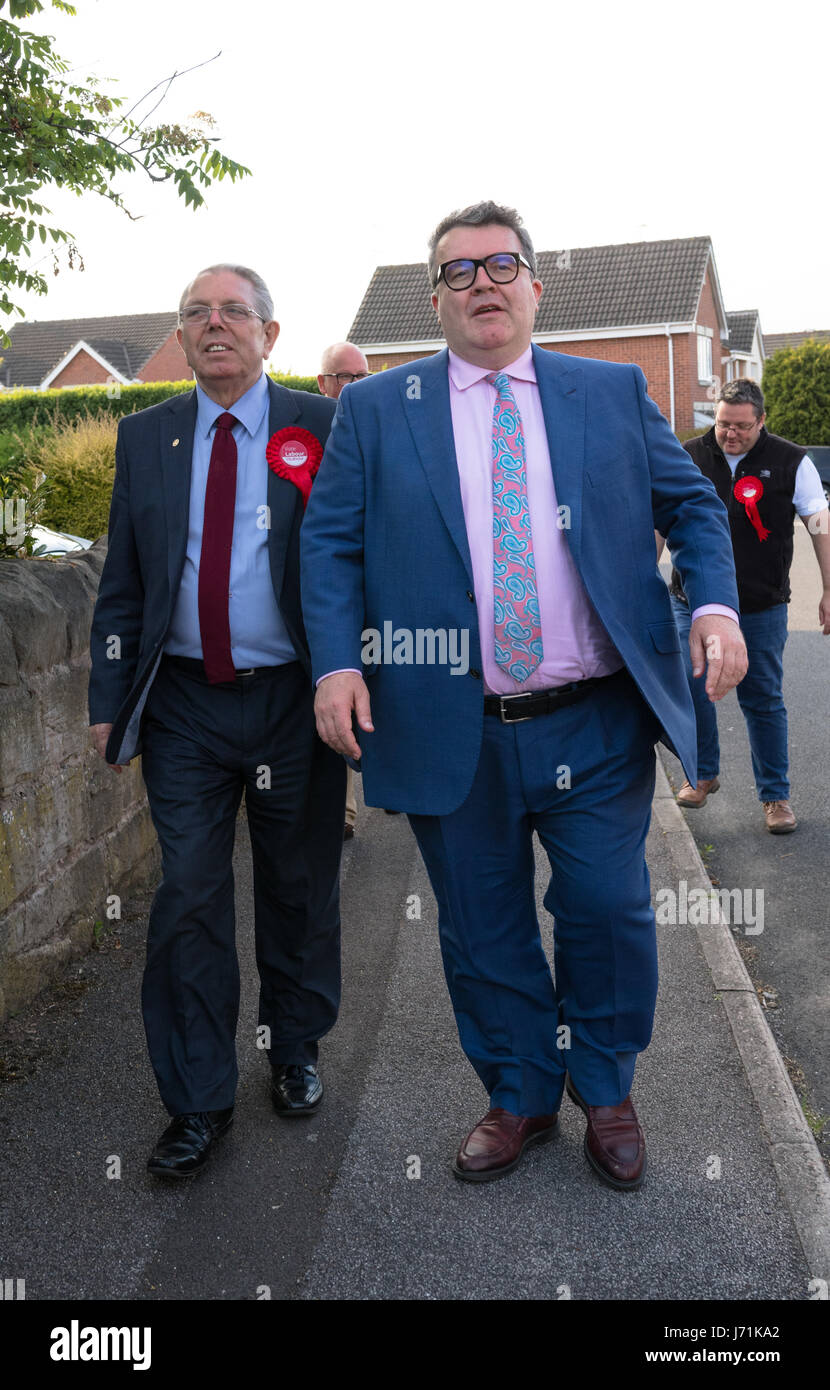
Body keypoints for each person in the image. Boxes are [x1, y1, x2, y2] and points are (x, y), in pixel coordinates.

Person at [301, 201, 747, 1190]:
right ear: (435, 301)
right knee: (479, 926)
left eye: (501, 264)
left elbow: (689, 505)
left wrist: (711, 602)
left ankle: (605, 1084)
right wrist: (336, 662)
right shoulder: (378, 411)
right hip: (442, 723)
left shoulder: (606, 390)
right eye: (458, 272)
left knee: (605, 907)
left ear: (534, 286)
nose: (482, 283)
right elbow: (326, 543)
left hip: (588, 719)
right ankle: (518, 1094)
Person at [88, 264, 345, 1178]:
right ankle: (198, 1099)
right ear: (184, 336)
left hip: (294, 701)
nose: (215, 325)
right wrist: (106, 698)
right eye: (196, 313)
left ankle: (295, 1048)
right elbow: (123, 582)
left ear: (270, 336)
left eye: (234, 311)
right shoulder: (145, 437)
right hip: (186, 705)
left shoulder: (322, 426)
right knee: (188, 897)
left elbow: (353, 556)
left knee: (296, 884)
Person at [663, 378, 830, 832]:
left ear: (761, 421)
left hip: (761, 604)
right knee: (692, 688)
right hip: (690, 603)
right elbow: (659, 520)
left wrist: (828, 589)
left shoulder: (792, 460)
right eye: (722, 424)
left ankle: (775, 797)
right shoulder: (689, 455)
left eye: (741, 426)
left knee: (763, 700)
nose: (730, 434)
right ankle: (702, 773)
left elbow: (819, 525)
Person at [317, 342, 371, 840]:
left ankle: (392, 776)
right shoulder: (306, 433)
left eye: (362, 375)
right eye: (344, 377)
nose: (354, 385)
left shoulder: (379, 426)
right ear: (323, 383)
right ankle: (348, 810)